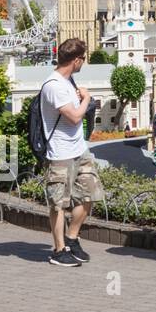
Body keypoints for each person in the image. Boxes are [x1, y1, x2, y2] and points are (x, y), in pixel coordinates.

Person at [39, 38, 105, 267]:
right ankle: (58, 251)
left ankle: (72, 238)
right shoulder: (54, 85)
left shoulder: (68, 82)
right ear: (76, 60)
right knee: (58, 203)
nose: (83, 63)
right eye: (83, 59)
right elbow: (75, 117)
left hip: (79, 150)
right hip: (60, 153)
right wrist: (87, 98)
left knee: (89, 194)